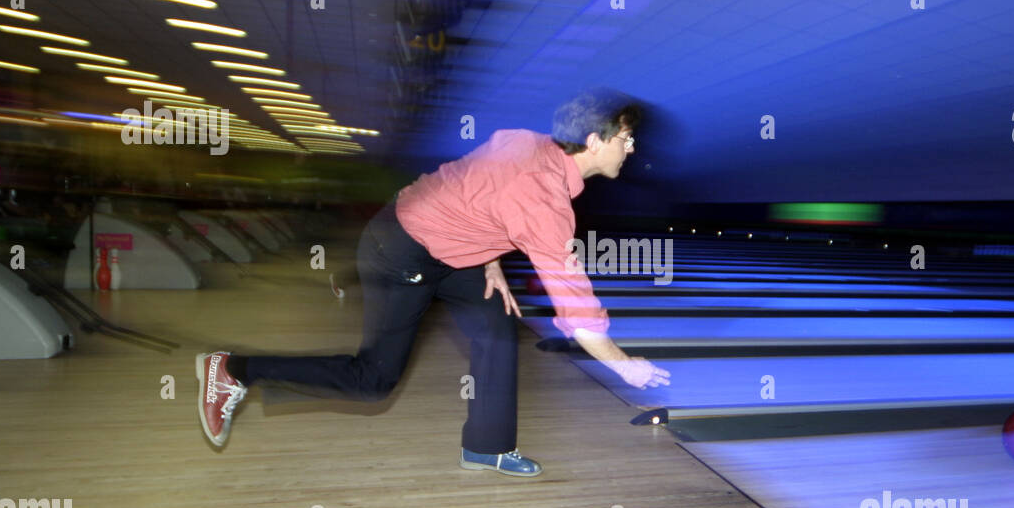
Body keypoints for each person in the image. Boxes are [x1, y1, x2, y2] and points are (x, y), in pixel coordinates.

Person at [196, 90, 670, 476]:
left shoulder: (525, 142)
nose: (632, 148)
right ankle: (235, 369)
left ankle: (487, 446)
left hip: (447, 246)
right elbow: (578, 312)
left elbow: (471, 192)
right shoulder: (545, 202)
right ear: (593, 140)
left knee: (498, 328)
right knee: (374, 381)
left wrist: (490, 260)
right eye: (626, 139)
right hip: (400, 250)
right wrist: (624, 366)